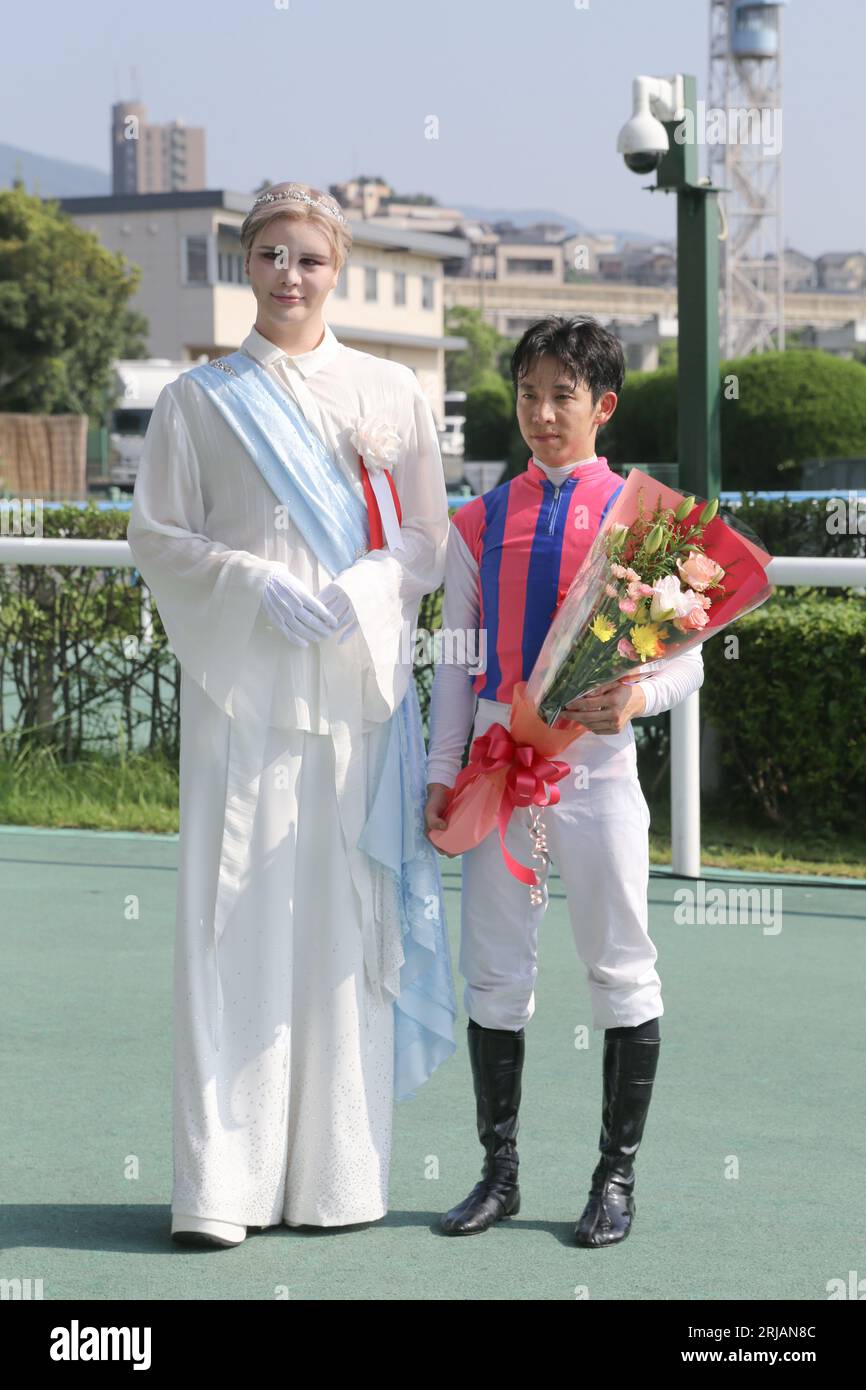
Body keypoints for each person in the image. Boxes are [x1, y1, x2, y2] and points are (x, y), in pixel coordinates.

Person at [127, 181, 456, 1249]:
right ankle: (218, 1186)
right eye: (268, 254)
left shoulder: (390, 391)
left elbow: (423, 538)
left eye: (307, 258)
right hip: (245, 693)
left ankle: (334, 1177)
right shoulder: (198, 400)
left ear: (337, 267)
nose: (287, 276)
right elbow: (158, 537)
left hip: (352, 692)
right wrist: (244, 579)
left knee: (341, 925)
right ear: (245, 263)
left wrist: (361, 589)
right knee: (232, 921)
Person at [424, 315, 704, 1246]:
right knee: (495, 978)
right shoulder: (477, 521)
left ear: (604, 406)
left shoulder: (648, 522)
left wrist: (639, 700)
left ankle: (614, 1181)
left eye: (563, 397)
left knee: (621, 971)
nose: (542, 415)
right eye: (528, 395)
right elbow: (457, 660)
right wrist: (443, 771)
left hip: (599, 773)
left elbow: (691, 660)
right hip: (502, 771)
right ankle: (496, 1174)